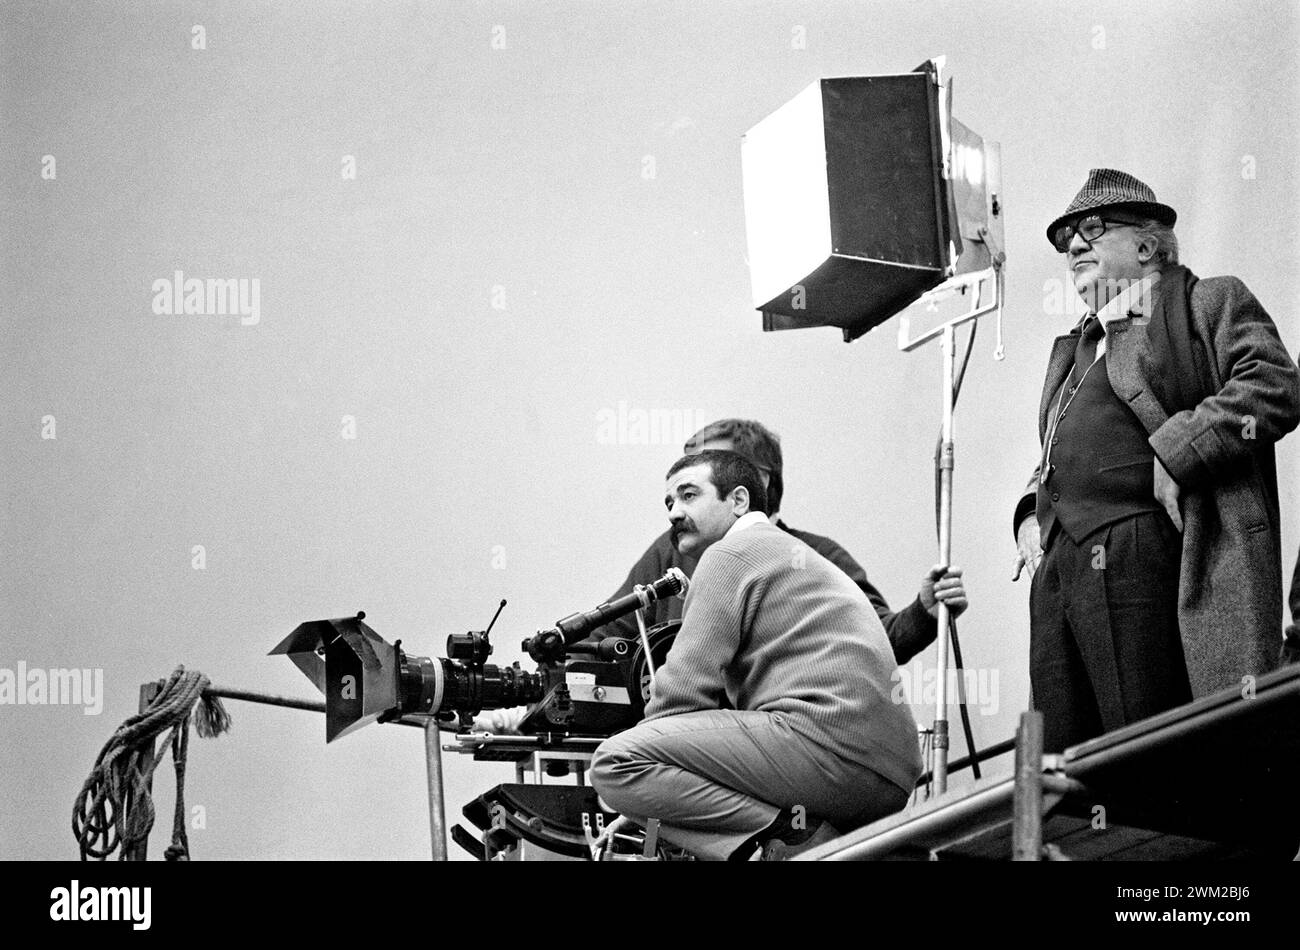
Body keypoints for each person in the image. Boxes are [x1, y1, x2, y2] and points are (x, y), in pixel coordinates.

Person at [1012, 168, 1300, 753]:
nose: (1073, 246)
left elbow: (1274, 383)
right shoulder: (1078, 347)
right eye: (1067, 236)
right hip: (1059, 576)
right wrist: (1026, 512)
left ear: (1146, 245)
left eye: (1091, 228)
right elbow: (1059, 454)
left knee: (1146, 755)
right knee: (1065, 765)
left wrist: (1179, 450)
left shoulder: (1206, 301)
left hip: (1142, 557)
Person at [590, 450, 922, 860]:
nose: (674, 513)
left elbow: (679, 698)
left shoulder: (731, 554)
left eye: (689, 495)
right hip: (887, 775)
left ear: (739, 501)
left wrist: (645, 791)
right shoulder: (792, 553)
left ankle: (786, 840)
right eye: (669, 503)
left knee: (614, 763)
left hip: (824, 747)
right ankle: (794, 836)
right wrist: (657, 799)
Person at [589, 418, 967, 663]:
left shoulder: (816, 555)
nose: (677, 508)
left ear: (752, 483)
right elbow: (605, 638)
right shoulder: (669, 553)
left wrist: (923, 614)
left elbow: (878, 640)